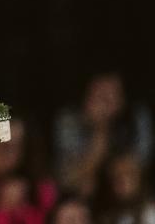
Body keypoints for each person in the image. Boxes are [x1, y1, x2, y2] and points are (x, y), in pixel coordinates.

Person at [54, 71, 153, 199]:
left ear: (123, 99)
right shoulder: (69, 119)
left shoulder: (136, 116)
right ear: (86, 98)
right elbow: (69, 178)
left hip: (123, 193)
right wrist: (100, 131)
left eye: (112, 95)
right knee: (85, 185)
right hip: (85, 197)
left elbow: (140, 163)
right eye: (100, 95)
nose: (105, 103)